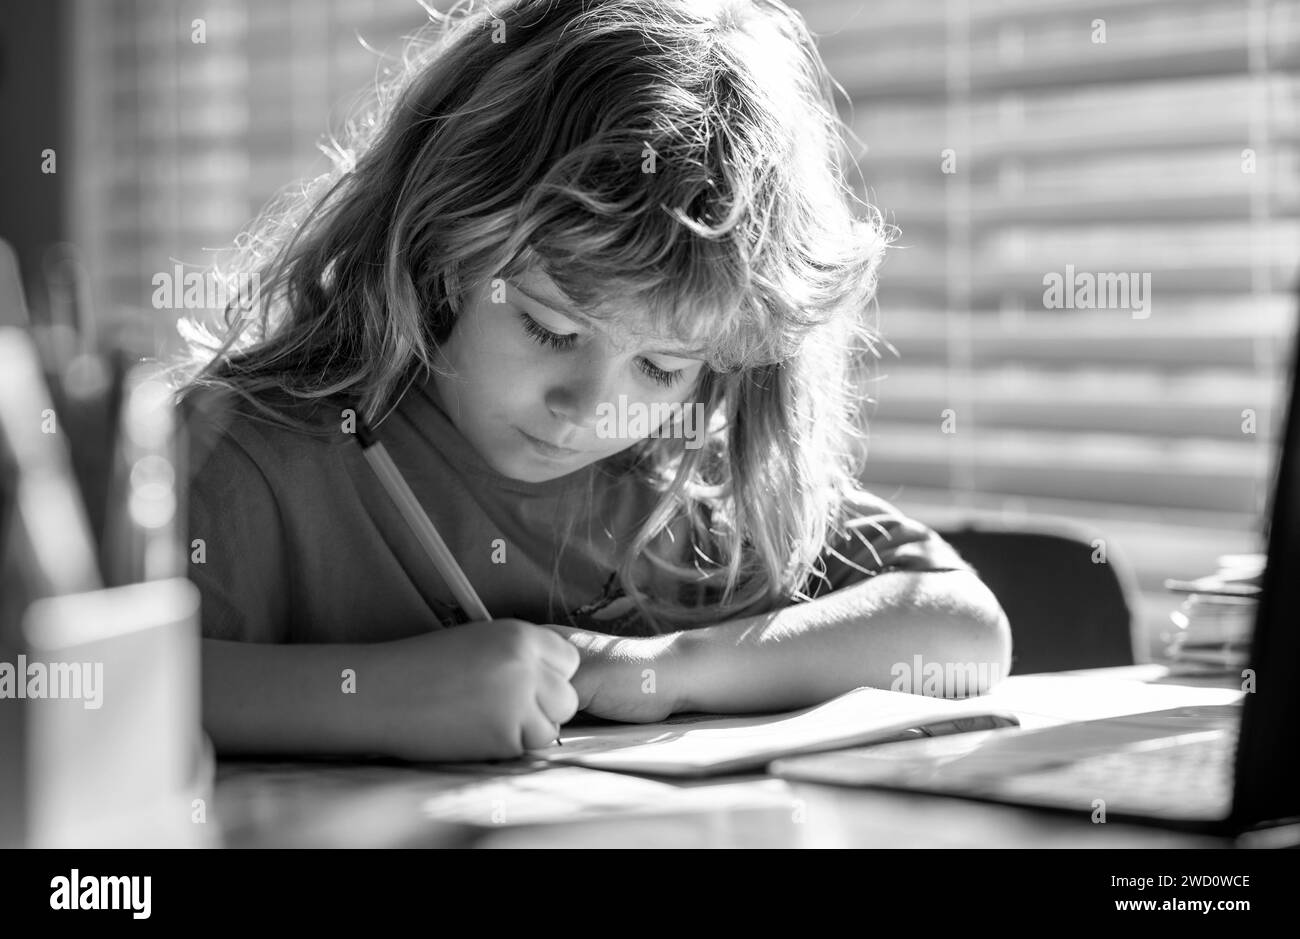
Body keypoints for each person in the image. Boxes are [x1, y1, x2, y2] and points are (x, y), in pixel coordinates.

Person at [174, 0, 1011, 762]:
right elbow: (80, 691)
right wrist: (377, 697)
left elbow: (964, 630)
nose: (589, 407)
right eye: (549, 326)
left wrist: (673, 667)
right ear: (441, 251)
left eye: (660, 367)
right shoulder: (254, 460)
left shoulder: (690, 487)